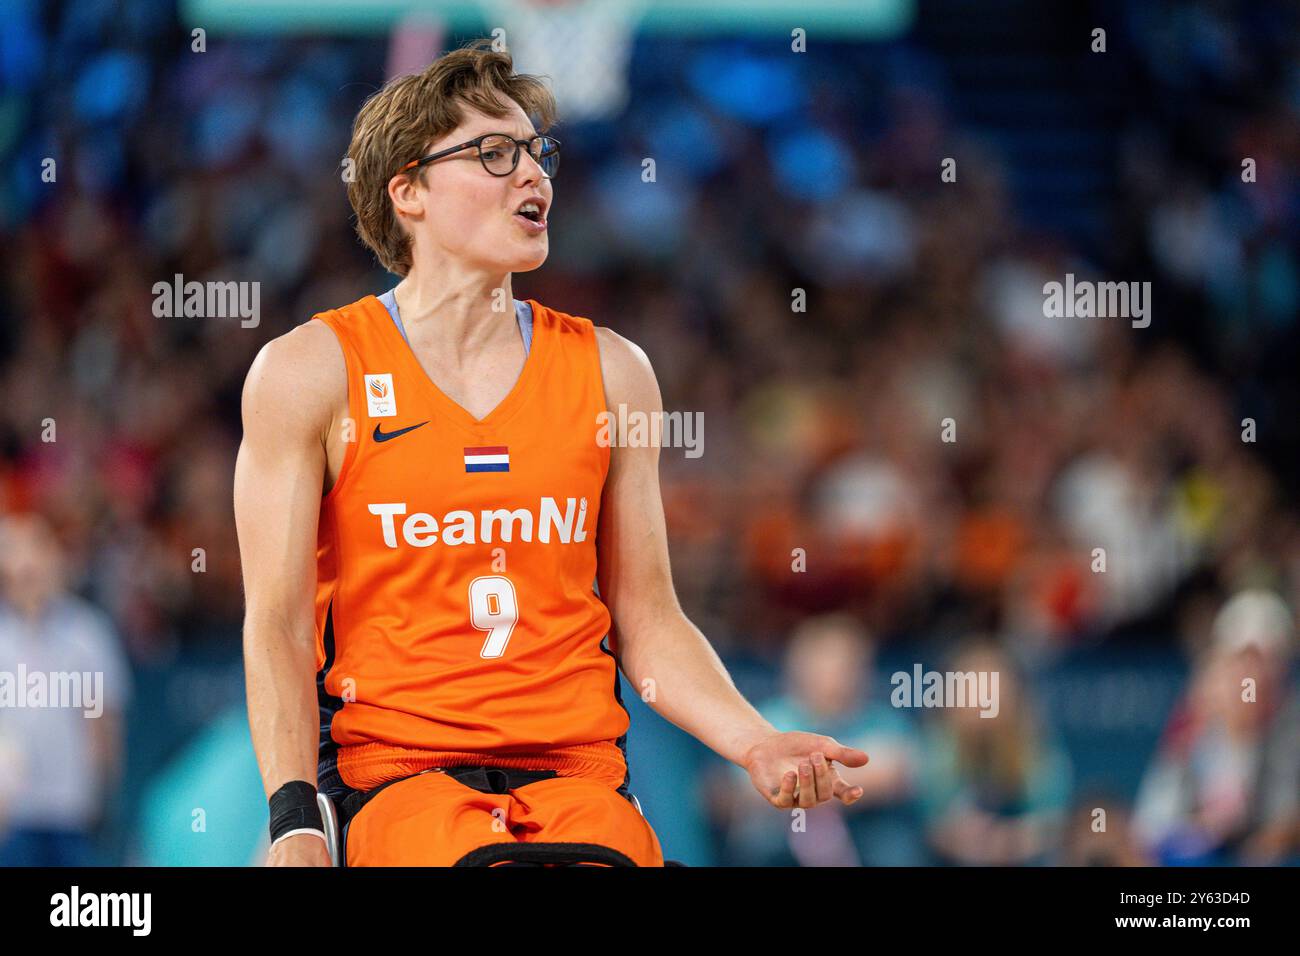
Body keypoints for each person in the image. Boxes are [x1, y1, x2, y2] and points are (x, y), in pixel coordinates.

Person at [234, 39, 868, 867]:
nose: (533, 176)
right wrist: (293, 823)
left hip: (579, 780)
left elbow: (649, 620)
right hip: (395, 776)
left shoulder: (613, 370)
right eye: (495, 154)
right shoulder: (311, 370)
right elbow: (278, 627)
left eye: (538, 153)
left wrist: (756, 741)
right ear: (409, 191)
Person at [712, 614, 923, 866]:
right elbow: (745, 788)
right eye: (824, 664)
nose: (835, 677)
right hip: (781, 830)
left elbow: (894, 773)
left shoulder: (884, 720)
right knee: (756, 842)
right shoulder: (769, 717)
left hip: (867, 827)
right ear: (798, 669)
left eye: (845, 665)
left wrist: (801, 779)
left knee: (895, 843)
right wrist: (841, 780)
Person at [0, 513, 131, 866]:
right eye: (17, 556)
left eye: (37, 554)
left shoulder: (85, 635)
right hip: (12, 814)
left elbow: (101, 721)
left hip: (71, 810)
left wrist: (103, 793)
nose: (28, 568)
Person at [1132, 589, 1299, 865]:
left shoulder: (1291, 728)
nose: (1251, 676)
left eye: (1265, 662)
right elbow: (1150, 826)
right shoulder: (1192, 722)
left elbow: (1276, 827)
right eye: (1239, 662)